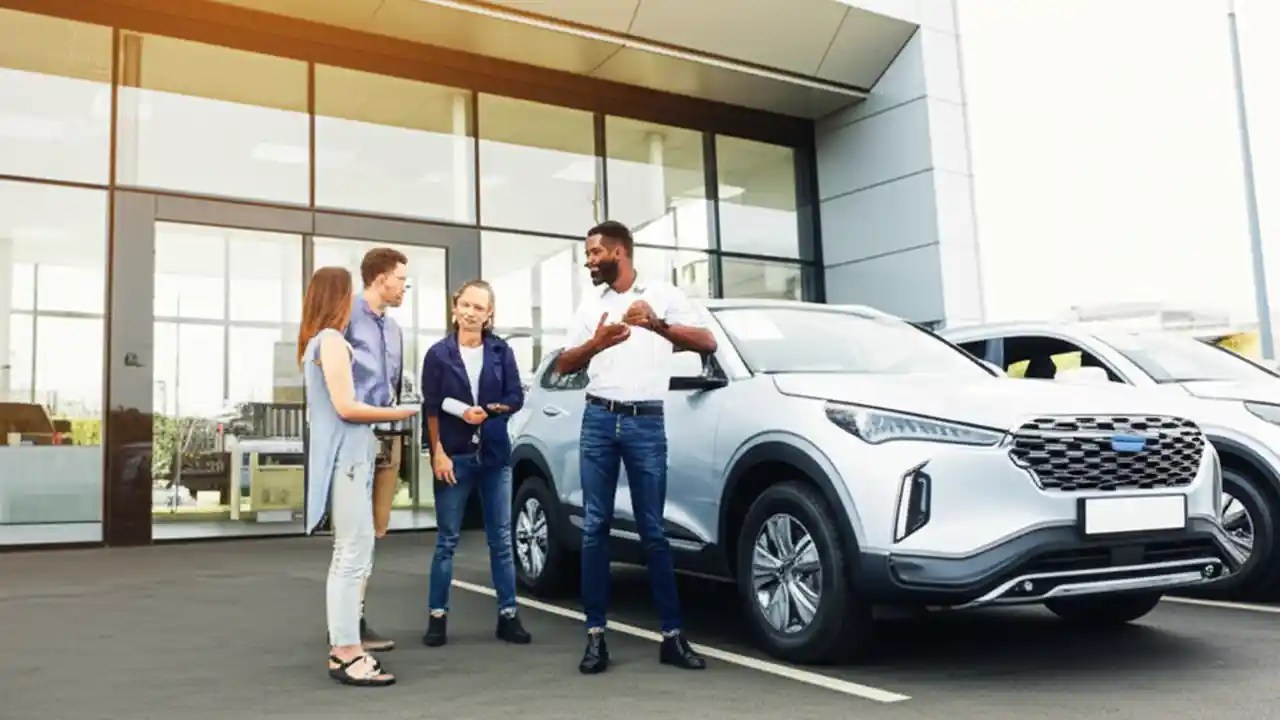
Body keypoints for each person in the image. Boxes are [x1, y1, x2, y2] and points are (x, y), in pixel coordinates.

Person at [555, 220, 718, 675]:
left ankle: (672, 637)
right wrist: (598, 342)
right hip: (599, 419)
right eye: (587, 254)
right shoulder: (591, 305)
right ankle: (595, 637)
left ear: (619, 253)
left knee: (653, 530)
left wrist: (658, 325)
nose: (588, 261)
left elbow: (707, 341)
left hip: (646, 422)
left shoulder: (662, 293)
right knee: (595, 527)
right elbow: (565, 362)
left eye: (594, 253)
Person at [298, 266, 418, 687]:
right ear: (336, 297)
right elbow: (347, 407)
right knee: (352, 555)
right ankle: (346, 652)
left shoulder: (321, 341)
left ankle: (347, 646)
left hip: (353, 457)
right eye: (347, 293)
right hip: (347, 459)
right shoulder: (330, 341)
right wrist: (400, 412)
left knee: (353, 553)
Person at [420, 279, 531, 647]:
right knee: (447, 540)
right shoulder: (438, 354)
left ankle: (508, 615)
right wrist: (436, 451)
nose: (470, 312)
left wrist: (491, 411)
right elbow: (431, 406)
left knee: (501, 540)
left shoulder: (501, 351)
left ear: (489, 314)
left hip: (495, 456)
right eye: (465, 305)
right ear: (455, 307)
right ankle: (437, 617)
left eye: (478, 308)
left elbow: (515, 396)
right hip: (453, 457)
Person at [343, 247, 408, 652]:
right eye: (401, 279)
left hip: (390, 436)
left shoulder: (396, 329)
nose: (404, 287)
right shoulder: (344, 316)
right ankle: (346, 624)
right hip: (354, 435)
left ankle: (356, 617)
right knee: (353, 536)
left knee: (375, 533)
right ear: (380, 277)